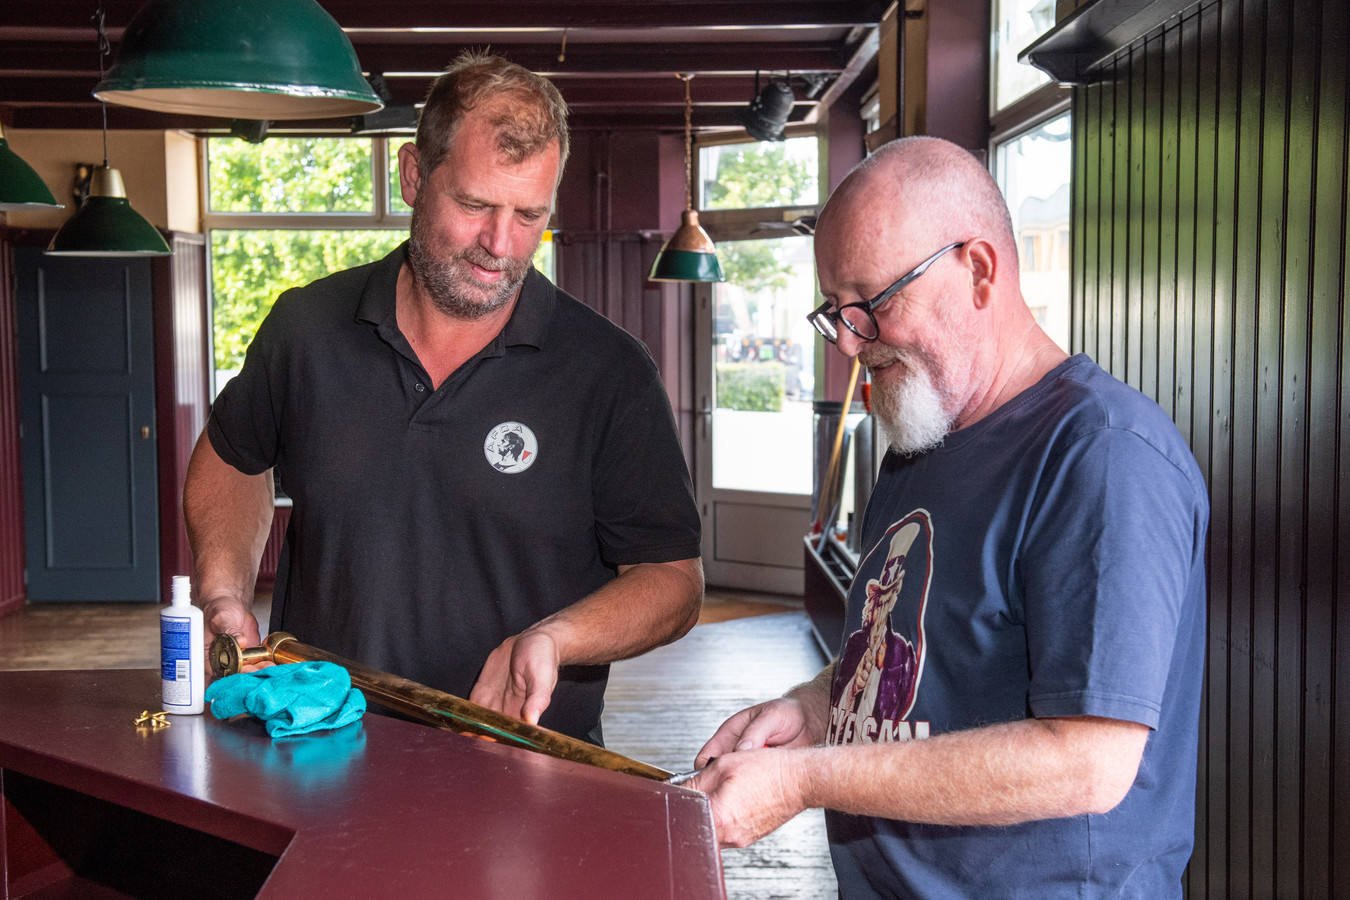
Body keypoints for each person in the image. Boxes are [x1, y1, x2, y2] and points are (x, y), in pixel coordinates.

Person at [689, 136, 1209, 898]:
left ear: (979, 269)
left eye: (875, 302)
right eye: (836, 313)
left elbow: (1088, 761)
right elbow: (922, 650)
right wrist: (812, 708)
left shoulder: (1100, 454)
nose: (852, 344)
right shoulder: (920, 435)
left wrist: (805, 779)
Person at [183, 51, 703, 744]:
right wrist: (223, 593)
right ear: (413, 175)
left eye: (529, 215)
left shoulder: (610, 371)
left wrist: (557, 636)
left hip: (526, 762)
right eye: (475, 205)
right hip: (318, 743)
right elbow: (231, 459)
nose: (501, 244)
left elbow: (672, 579)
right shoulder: (306, 329)